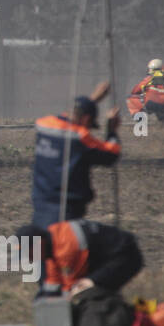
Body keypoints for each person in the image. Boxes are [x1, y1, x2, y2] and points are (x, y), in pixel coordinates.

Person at [30, 84, 121, 229]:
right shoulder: (80, 138)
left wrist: (90, 102)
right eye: (90, 124)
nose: (88, 129)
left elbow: (71, 116)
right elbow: (112, 154)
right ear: (86, 119)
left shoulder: (45, 126)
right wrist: (111, 131)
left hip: (40, 203)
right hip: (67, 210)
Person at [17, 219, 144, 299]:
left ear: (38, 243)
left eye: (27, 253)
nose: (27, 259)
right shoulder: (52, 241)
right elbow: (53, 282)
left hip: (125, 257)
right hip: (107, 257)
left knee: (84, 291)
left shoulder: (66, 248)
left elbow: (71, 289)